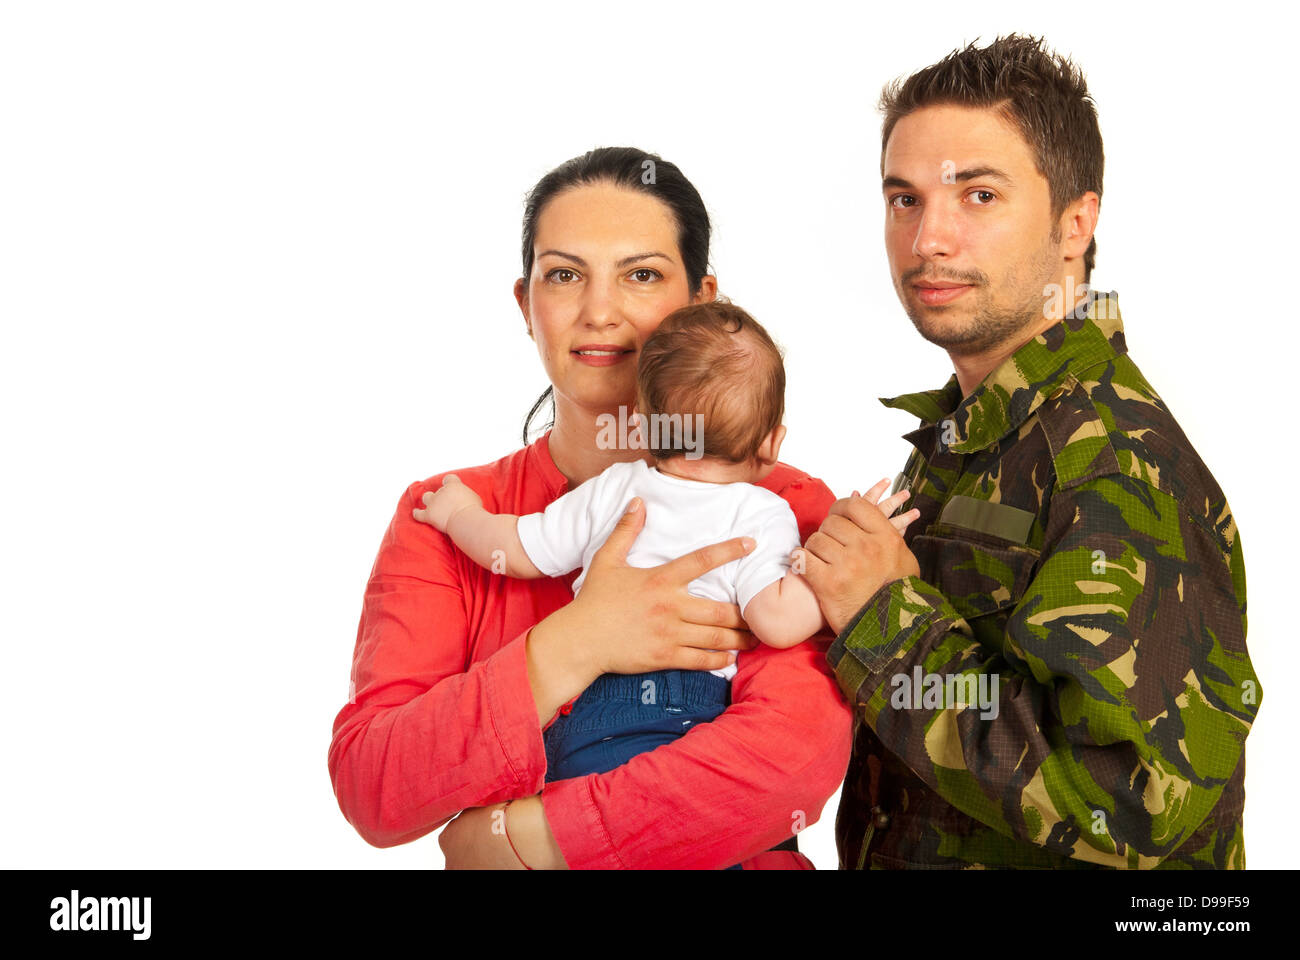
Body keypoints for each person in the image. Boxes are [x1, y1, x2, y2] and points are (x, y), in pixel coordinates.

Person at [798, 35, 1263, 869]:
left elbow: (1124, 802)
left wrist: (884, 623)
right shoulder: (982, 438)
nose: (928, 240)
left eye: (978, 194)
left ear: (1075, 224)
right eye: (904, 199)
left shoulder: (1117, 460)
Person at [328, 146, 858, 869]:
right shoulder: (449, 513)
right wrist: (577, 642)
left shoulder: (784, 505)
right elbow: (377, 784)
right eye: (564, 275)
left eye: (641, 275)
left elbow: (787, 759)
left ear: (705, 303)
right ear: (526, 306)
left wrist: (532, 843)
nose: (600, 312)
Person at [412, 300, 915, 788]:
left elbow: (519, 549)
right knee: (681, 828)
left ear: (642, 426)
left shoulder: (616, 486)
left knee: (579, 819)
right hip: (690, 712)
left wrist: (460, 515)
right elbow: (778, 623)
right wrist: (842, 565)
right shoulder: (761, 512)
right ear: (771, 444)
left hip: (583, 709)